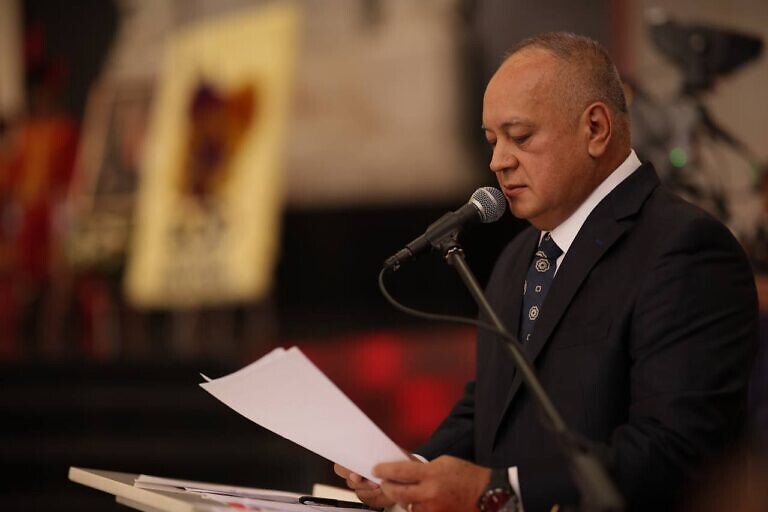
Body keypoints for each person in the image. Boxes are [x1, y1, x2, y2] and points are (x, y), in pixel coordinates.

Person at [335, 32, 757, 512]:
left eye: (520, 137)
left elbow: (677, 452)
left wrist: (495, 491)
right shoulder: (518, 257)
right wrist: (410, 470)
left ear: (595, 128)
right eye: (492, 140)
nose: (497, 161)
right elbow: (492, 408)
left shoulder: (685, 249)